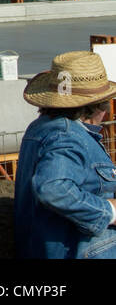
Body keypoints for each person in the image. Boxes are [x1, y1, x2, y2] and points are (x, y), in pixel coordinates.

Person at [14, 51, 116, 258]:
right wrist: (109, 211)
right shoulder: (67, 136)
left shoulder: (41, 127)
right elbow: (53, 188)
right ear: (100, 106)